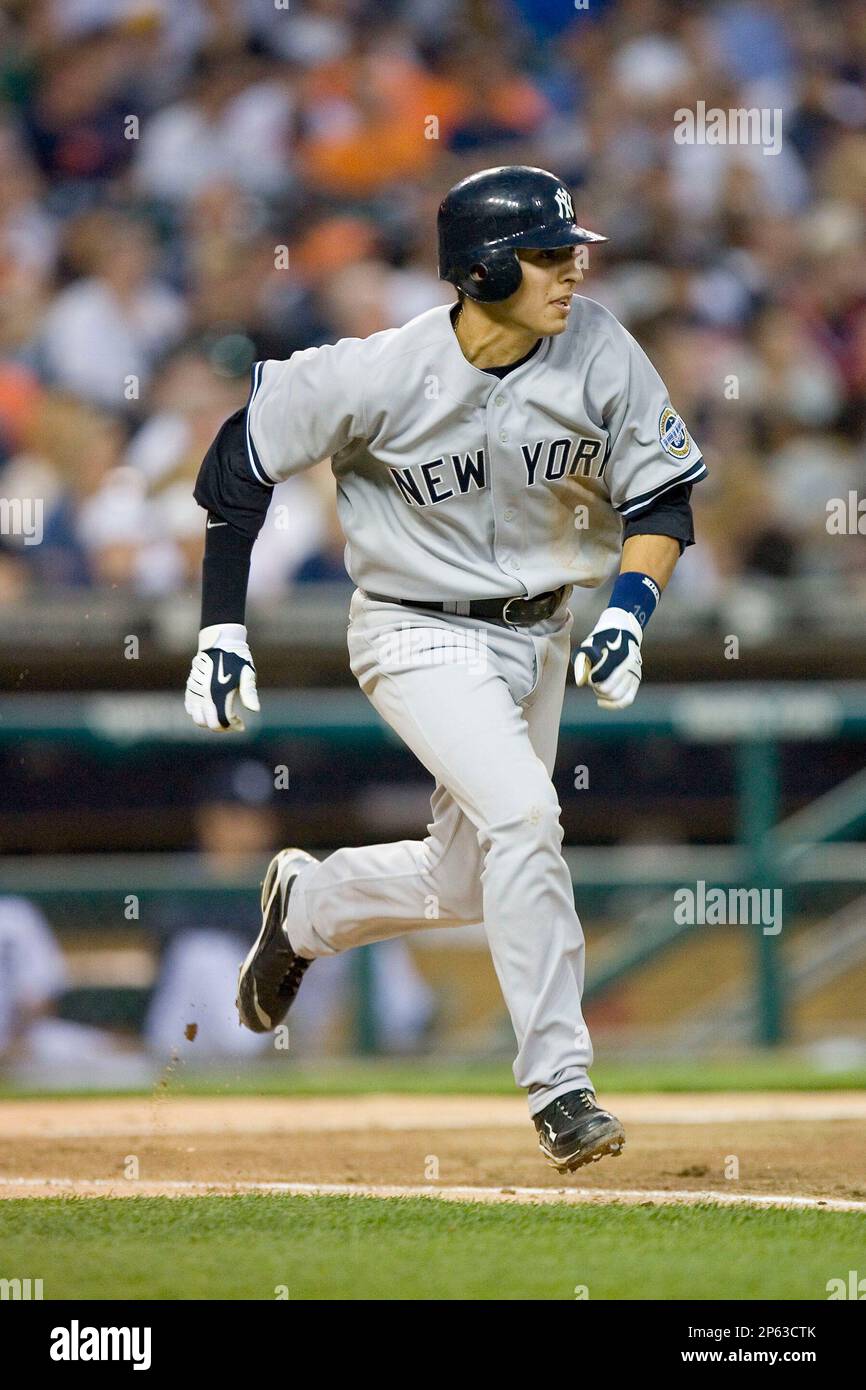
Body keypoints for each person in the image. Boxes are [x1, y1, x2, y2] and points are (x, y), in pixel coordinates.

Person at [184, 166, 706, 1173]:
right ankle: (559, 1085)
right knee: (522, 818)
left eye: (571, 250)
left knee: (468, 877)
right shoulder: (382, 370)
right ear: (481, 266)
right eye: (549, 254)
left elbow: (663, 501)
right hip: (412, 628)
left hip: (541, 631)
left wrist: (629, 613)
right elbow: (236, 462)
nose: (572, 269)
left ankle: (305, 909)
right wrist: (219, 630)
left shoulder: (598, 345)